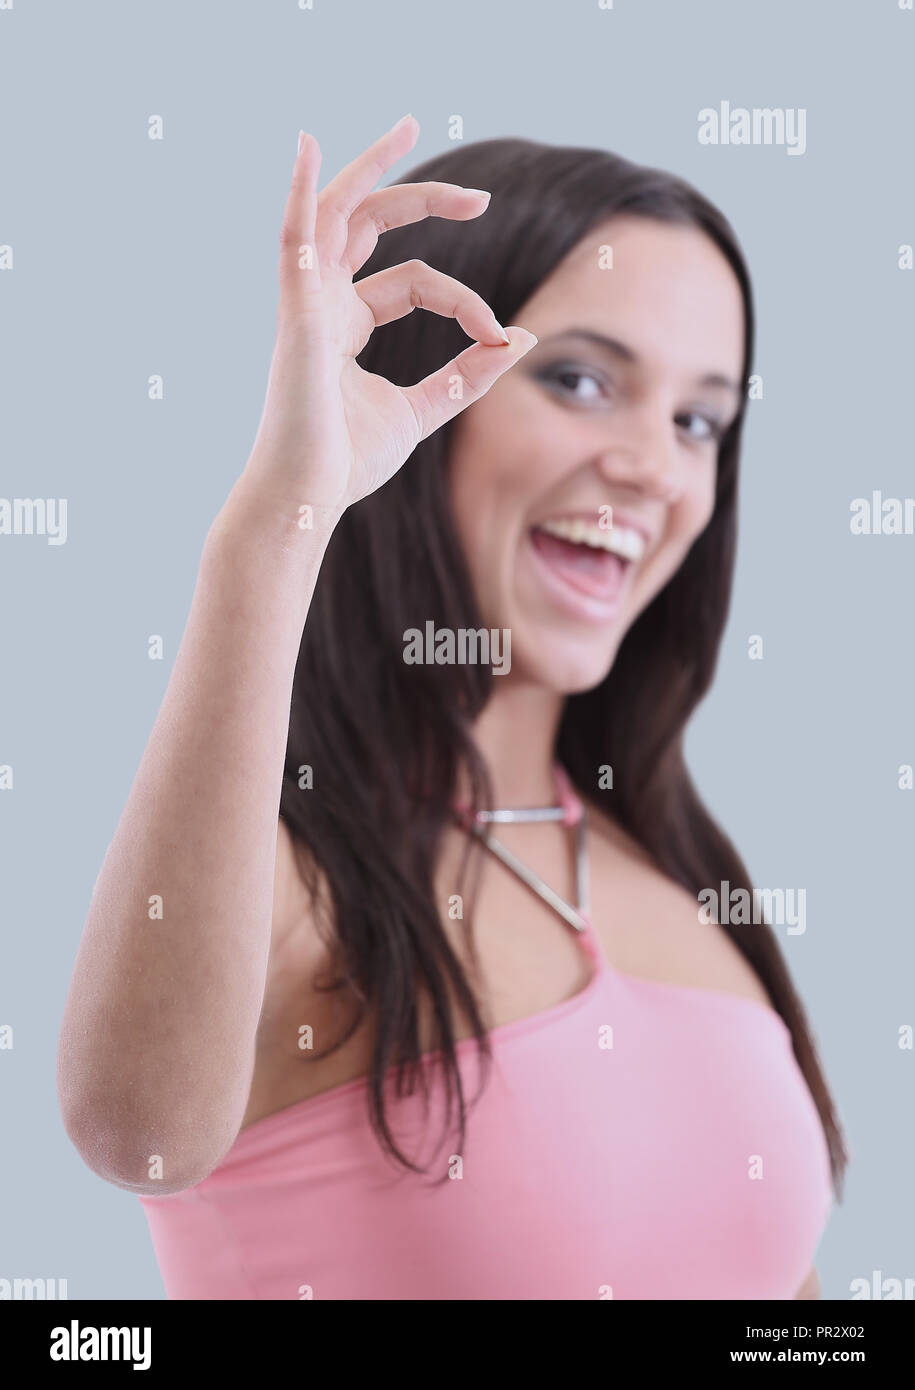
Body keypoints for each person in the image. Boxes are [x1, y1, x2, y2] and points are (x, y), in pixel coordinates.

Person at [57, 113, 847, 1300]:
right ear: (410, 396)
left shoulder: (681, 880)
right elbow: (136, 1136)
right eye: (582, 380)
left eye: (699, 420)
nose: (655, 466)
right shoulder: (294, 884)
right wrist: (281, 523)